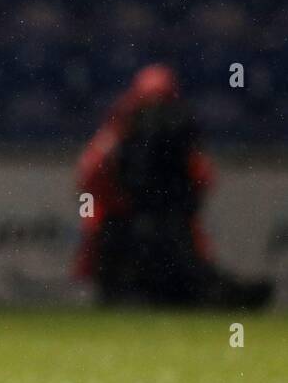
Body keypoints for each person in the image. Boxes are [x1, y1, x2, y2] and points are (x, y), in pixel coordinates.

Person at [75, 64, 274, 308]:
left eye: (162, 101)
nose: (156, 113)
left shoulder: (178, 139)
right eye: (149, 102)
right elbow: (89, 177)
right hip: (123, 230)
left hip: (169, 227)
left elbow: (202, 182)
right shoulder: (116, 135)